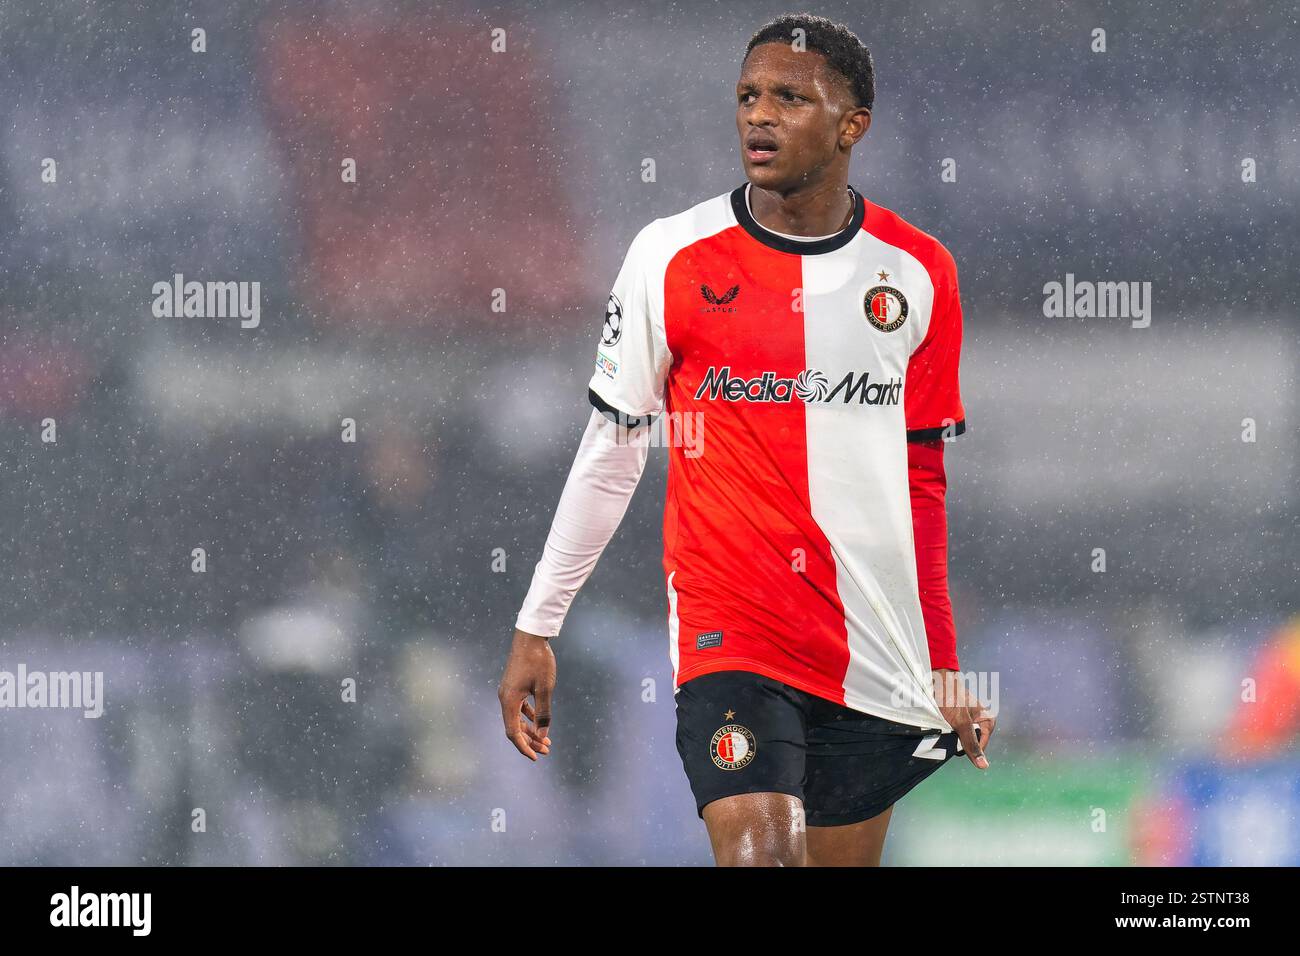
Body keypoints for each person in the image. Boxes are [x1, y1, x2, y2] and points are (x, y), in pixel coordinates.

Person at [499, 13, 995, 866]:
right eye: (747, 96)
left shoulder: (919, 273)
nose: (759, 116)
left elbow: (921, 482)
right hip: (732, 636)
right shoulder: (670, 257)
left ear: (852, 125)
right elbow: (613, 451)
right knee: (762, 857)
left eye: (790, 98)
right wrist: (537, 624)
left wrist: (944, 664)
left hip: (869, 645)